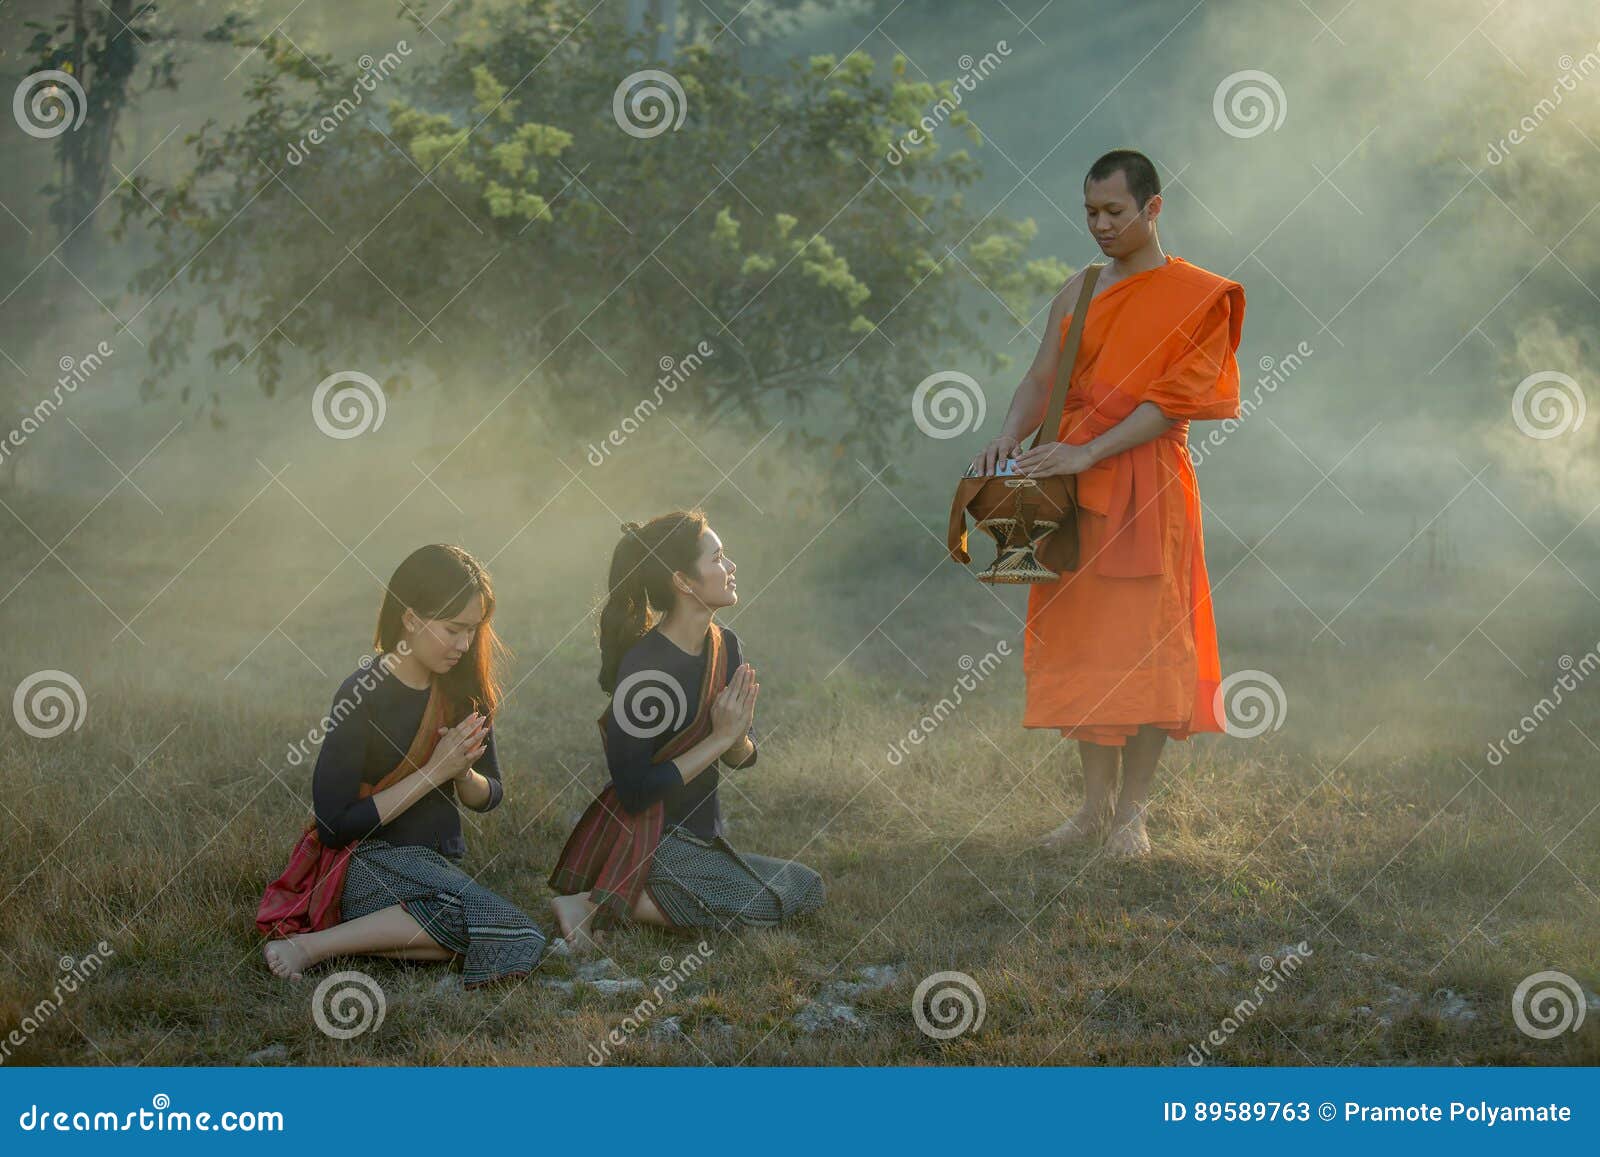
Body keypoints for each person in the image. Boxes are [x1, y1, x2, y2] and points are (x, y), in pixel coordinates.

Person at [970, 148, 1245, 859]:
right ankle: (1092, 809)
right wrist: (1007, 437)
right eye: (1089, 211)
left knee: (1148, 643)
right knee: (1089, 643)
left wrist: (1087, 451)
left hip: (1148, 485)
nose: (1098, 225)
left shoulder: (1198, 294)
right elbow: (1042, 377)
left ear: (1154, 209)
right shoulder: (1081, 288)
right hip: (1071, 487)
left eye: (1113, 212)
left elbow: (1170, 404)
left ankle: (1134, 815)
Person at [261, 544, 546, 985]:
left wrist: (462, 770)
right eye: (453, 629)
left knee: (480, 922)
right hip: (365, 865)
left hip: (429, 869)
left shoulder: (463, 689)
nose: (464, 644)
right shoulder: (361, 695)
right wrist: (434, 770)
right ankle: (307, 947)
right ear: (411, 619)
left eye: (472, 630)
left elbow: (491, 794)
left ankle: (359, 938)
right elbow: (335, 824)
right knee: (515, 930)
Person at [548, 510, 824, 952]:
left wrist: (736, 736)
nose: (730, 567)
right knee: (753, 903)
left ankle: (621, 900)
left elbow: (741, 757)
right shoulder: (643, 669)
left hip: (701, 839)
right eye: (717, 559)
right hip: (648, 841)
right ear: (682, 581)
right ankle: (596, 902)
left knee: (807, 887)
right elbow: (635, 790)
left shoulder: (726, 645)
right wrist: (719, 738)